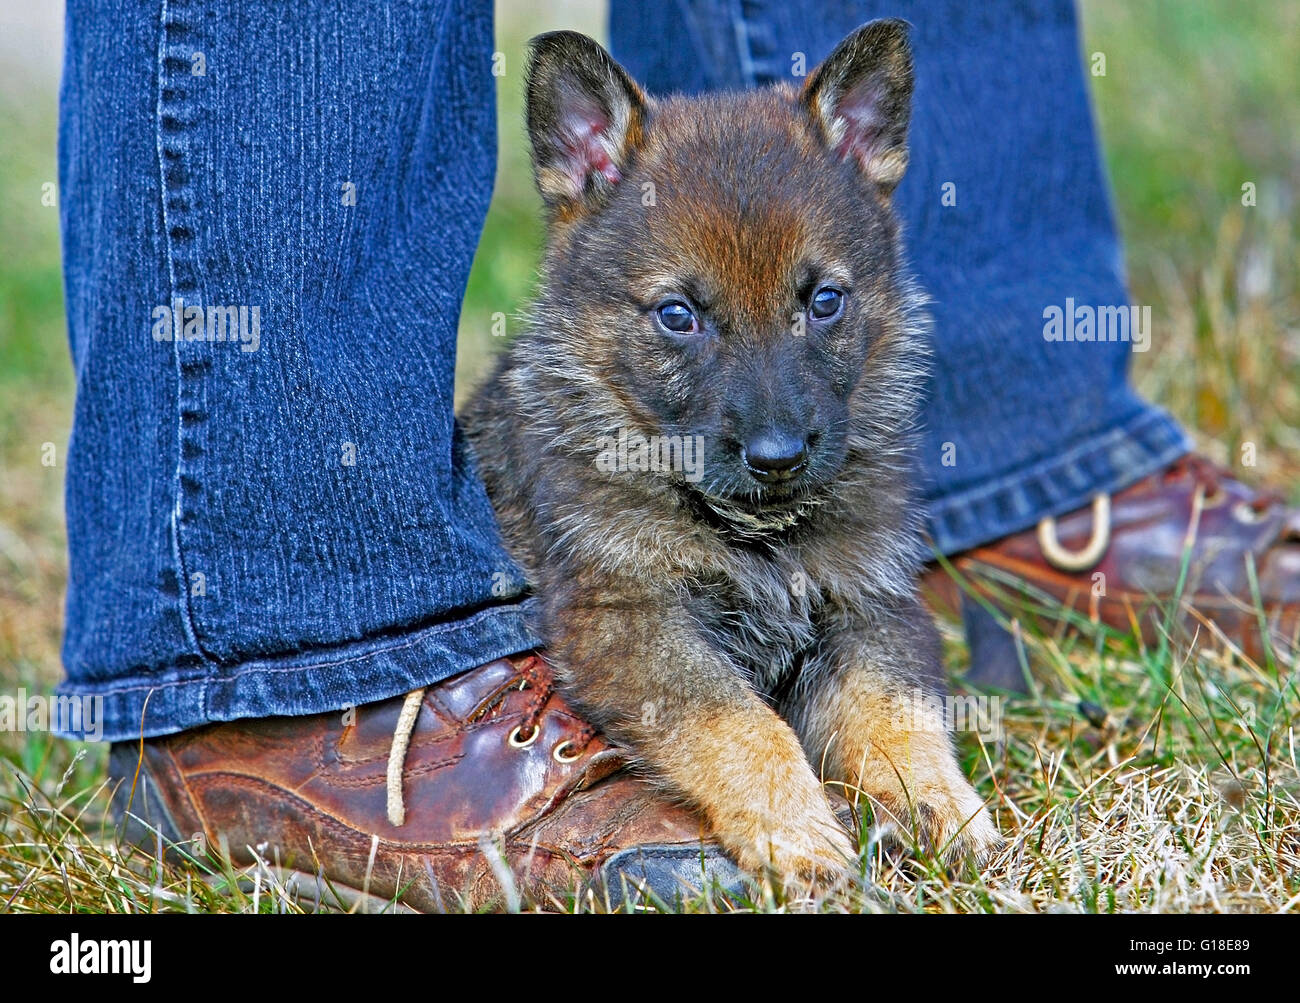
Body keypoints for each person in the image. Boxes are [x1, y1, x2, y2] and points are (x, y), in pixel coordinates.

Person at [55, 0, 1298, 909]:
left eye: (820, 307)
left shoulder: (838, 382)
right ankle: (281, 664)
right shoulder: (592, 446)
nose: (768, 417)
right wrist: (763, 778)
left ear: (869, 153)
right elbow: (627, 632)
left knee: (866, 603)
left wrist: (910, 763)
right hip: (609, 587)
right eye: (678, 320)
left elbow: (861, 616)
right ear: (582, 167)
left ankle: (1024, 479)